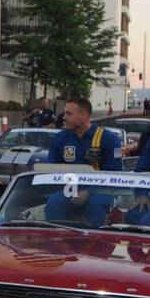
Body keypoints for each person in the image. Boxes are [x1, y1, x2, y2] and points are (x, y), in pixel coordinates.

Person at [43, 97, 123, 226]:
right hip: (70, 188)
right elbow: (52, 168)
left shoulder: (110, 140)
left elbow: (115, 173)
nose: (63, 117)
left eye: (69, 114)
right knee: (54, 202)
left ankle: (96, 241)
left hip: (102, 190)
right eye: (64, 113)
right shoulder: (60, 138)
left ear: (84, 115)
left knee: (96, 204)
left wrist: (89, 191)